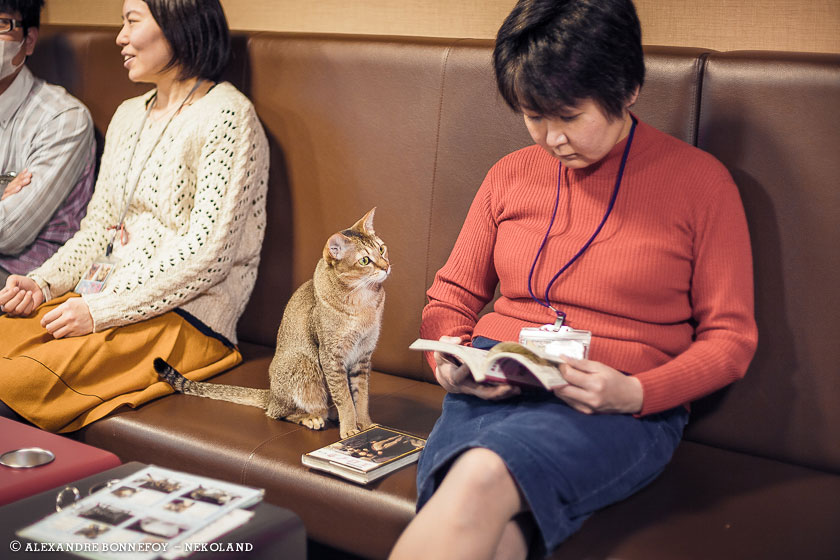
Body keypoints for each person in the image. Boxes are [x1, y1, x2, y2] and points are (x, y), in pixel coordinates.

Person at [389, 1, 757, 559]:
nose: (551, 138)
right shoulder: (510, 174)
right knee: (501, 528)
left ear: (628, 88)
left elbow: (731, 339)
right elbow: (453, 297)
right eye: (534, 116)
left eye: (568, 116)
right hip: (495, 391)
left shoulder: (701, 184)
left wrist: (636, 392)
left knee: (479, 477)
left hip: (616, 406)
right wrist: (448, 362)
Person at [0, 0, 269, 433]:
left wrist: (101, 310)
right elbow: (97, 230)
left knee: (19, 381)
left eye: (131, 22)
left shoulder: (227, 114)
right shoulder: (129, 115)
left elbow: (208, 257)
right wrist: (43, 282)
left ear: (177, 25)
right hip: (107, 298)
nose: (120, 37)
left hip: (190, 317)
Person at [0, 0, 95, 285]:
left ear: (28, 41)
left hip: (25, 279)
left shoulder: (63, 118)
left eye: (2, 24)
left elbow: (9, 232)